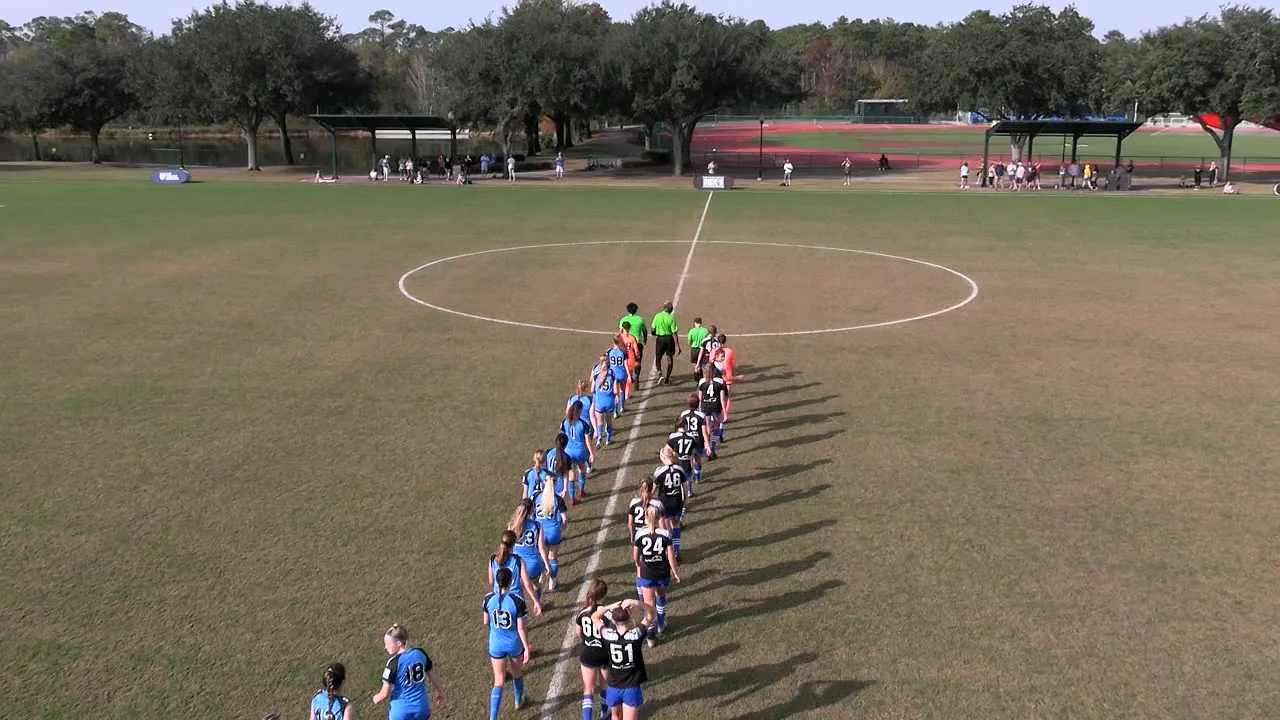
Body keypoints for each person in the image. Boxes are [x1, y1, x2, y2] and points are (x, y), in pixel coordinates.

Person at [592, 600, 657, 719]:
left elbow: (595, 617)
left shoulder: (607, 635)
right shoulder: (636, 635)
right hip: (631, 686)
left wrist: (609, 606)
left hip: (613, 685)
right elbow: (651, 613)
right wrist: (636, 602)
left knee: (615, 716)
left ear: (613, 621)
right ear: (629, 619)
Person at [484, 567, 532, 718]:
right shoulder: (517, 601)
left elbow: (486, 622)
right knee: (517, 673)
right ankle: (519, 701)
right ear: (512, 581)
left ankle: (493, 717)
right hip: (513, 643)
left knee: (498, 680)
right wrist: (526, 647)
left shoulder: (488, 598)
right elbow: (521, 628)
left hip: (496, 643)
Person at [372, 624, 446, 720]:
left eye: (387, 644)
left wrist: (376, 698)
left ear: (398, 643)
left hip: (400, 711)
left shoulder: (393, 663)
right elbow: (433, 675)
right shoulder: (420, 653)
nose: (385, 647)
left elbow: (385, 694)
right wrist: (441, 693)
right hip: (421, 708)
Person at [632, 504, 679, 643]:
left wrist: (637, 564)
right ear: (658, 518)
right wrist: (675, 573)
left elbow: (636, 556)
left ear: (646, 517)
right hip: (662, 571)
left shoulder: (639, 534)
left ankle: (651, 635)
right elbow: (670, 556)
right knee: (661, 596)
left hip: (647, 572)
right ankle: (660, 625)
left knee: (648, 603)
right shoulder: (665, 534)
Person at [575, 580, 611, 720]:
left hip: (587, 653)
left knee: (588, 689)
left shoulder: (582, 612)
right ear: (603, 595)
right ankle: (605, 713)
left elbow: (579, 633)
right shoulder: (607, 612)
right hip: (604, 653)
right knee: (605, 686)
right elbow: (612, 632)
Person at [488, 530, 544, 614]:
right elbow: (527, 584)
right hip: (515, 600)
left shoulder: (493, 559)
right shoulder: (518, 560)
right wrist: (536, 601)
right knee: (520, 626)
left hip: (498, 598)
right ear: (514, 544)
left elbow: (491, 581)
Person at [510, 500, 549, 602]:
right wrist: (546, 563)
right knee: (536, 585)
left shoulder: (512, 525)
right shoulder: (537, 525)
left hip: (516, 565)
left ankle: (520, 608)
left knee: (519, 588)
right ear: (531, 510)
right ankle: (537, 602)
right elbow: (541, 547)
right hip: (533, 564)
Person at [652, 446, 687, 557]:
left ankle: (669, 551)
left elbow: (653, 489)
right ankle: (676, 549)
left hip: (664, 503)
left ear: (663, 457)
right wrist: (684, 501)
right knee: (676, 525)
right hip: (677, 501)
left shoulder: (659, 471)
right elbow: (684, 488)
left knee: (665, 529)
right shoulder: (680, 469)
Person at [535, 479, 569, 590]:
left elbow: (531, 515)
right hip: (553, 531)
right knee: (552, 557)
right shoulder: (557, 499)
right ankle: (552, 582)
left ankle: (540, 576)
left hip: (540, 532)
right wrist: (563, 527)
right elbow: (564, 519)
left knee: (541, 555)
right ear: (554, 485)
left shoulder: (536, 497)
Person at [560, 402, 595, 503]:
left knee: (571, 474)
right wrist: (591, 453)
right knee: (582, 469)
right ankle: (582, 490)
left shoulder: (564, 423)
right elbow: (587, 441)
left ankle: (572, 498)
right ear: (579, 411)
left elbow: (561, 438)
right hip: (580, 451)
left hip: (568, 452)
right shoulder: (583, 424)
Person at [678, 394, 712, 484]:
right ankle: (697, 477)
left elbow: (681, 429)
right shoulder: (701, 415)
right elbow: (704, 432)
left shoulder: (684, 414)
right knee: (697, 459)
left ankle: (689, 488)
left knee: (687, 463)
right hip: (698, 440)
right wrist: (708, 445)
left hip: (687, 440)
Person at [697, 364, 728, 459]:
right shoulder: (720, 381)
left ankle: (707, 447)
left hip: (705, 406)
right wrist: (725, 412)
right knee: (717, 426)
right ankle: (713, 447)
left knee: (707, 428)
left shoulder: (702, 381)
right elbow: (723, 398)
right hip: (716, 406)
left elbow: (700, 397)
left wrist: (699, 408)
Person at [666, 419, 699, 499]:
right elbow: (694, 451)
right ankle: (689, 491)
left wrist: (671, 456)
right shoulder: (691, 437)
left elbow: (667, 450)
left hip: (677, 460)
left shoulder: (672, 436)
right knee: (688, 476)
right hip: (687, 460)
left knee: (679, 480)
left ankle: (681, 495)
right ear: (685, 425)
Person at [649, 301, 680, 385]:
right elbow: (674, 333)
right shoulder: (671, 318)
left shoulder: (657, 316)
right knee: (669, 358)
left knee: (658, 357)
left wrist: (656, 333)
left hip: (660, 339)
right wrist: (677, 346)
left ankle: (659, 373)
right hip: (669, 339)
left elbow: (652, 329)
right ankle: (667, 378)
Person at [591, 354, 617, 445]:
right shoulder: (612, 373)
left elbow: (592, 389)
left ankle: (599, 439)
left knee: (600, 422)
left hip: (599, 402)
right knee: (609, 421)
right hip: (609, 401)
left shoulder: (596, 373)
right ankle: (608, 440)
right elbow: (615, 390)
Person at [618, 304, 647, 382]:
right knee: (638, 361)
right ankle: (637, 376)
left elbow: (620, 332)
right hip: (637, 343)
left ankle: (629, 376)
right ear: (636, 310)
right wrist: (645, 339)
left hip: (626, 344)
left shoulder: (623, 319)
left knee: (626, 360)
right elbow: (644, 331)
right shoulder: (640, 319)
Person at [607, 337, 629, 416]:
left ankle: (615, 411)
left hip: (613, 375)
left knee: (614, 393)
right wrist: (629, 375)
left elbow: (607, 364)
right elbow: (626, 364)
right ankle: (622, 407)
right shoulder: (623, 352)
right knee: (622, 390)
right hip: (622, 374)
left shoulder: (609, 351)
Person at [547, 432, 572, 499]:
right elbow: (566, 475)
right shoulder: (566, 457)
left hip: (547, 483)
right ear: (566, 444)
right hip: (559, 486)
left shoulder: (548, 452)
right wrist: (565, 489)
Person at [686, 318, 710, 383]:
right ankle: (702, 378)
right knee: (702, 364)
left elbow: (689, 342)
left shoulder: (691, 331)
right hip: (702, 350)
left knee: (695, 365)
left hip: (694, 349)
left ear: (695, 323)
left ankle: (697, 379)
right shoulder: (705, 330)